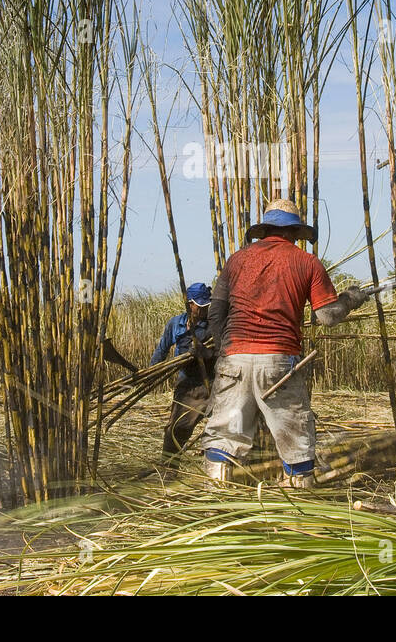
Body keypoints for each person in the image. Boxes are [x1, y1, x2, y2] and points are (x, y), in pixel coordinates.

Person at [201, 199, 368, 487]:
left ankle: (215, 502)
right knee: (295, 438)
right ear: (295, 232)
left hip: (234, 360)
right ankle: (296, 509)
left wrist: (224, 351)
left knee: (226, 436)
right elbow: (327, 317)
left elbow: (216, 312)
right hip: (278, 364)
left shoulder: (237, 260)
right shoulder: (306, 262)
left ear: (265, 230)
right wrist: (350, 301)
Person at [151, 282, 216, 459]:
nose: (203, 311)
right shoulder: (176, 324)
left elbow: (223, 351)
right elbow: (161, 350)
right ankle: (170, 468)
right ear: (190, 304)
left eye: (206, 306)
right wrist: (151, 373)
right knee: (177, 429)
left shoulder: (213, 325)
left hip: (210, 383)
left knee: (219, 429)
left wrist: (207, 353)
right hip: (187, 385)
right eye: (200, 307)